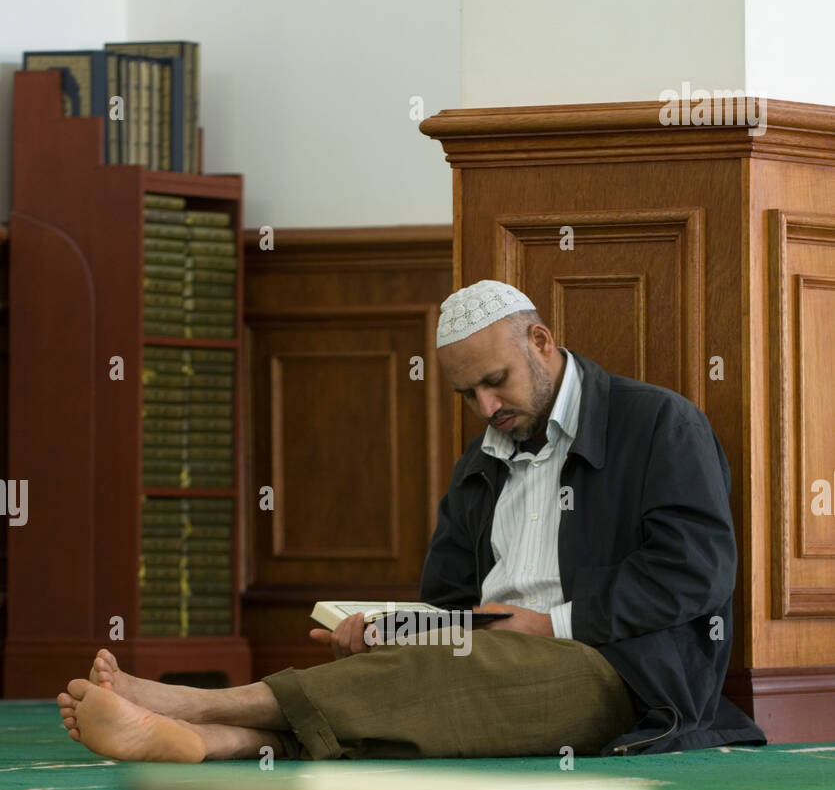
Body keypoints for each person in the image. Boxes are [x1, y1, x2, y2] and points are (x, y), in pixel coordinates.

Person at [57, 279, 765, 762]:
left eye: (496, 382)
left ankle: (200, 710)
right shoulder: (484, 454)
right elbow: (452, 607)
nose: (486, 408)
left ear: (541, 343)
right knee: (429, 667)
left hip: (619, 669)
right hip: (485, 650)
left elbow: (694, 574)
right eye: (467, 394)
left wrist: (549, 624)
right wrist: (391, 631)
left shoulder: (658, 424)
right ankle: (220, 746)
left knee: (466, 671)